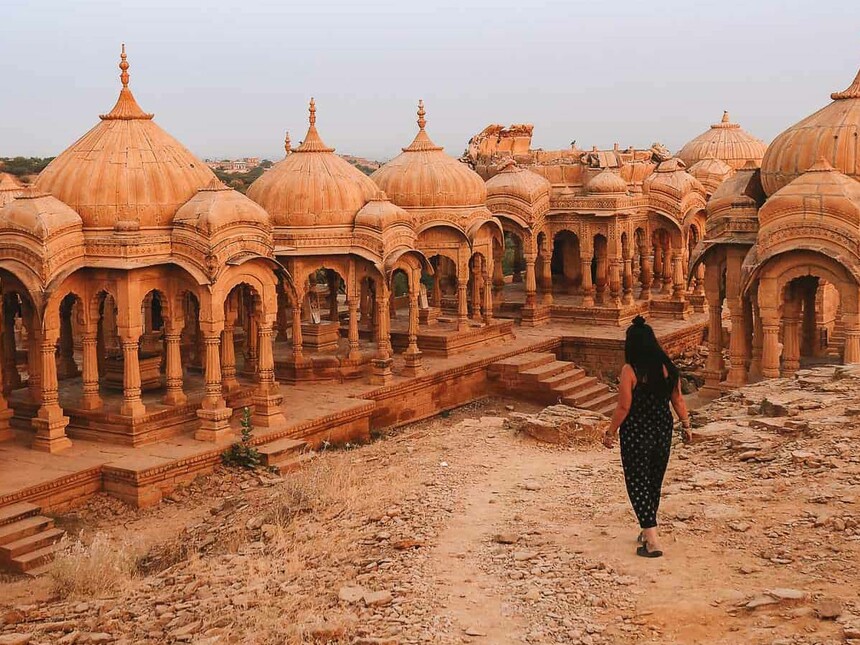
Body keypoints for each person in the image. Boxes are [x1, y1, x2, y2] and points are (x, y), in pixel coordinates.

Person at [602, 315, 692, 558]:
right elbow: (678, 400)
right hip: (662, 430)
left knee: (637, 482)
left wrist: (610, 432)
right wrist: (686, 425)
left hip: (636, 433)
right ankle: (647, 528)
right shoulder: (668, 368)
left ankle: (652, 540)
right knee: (653, 480)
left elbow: (623, 407)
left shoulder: (631, 370)